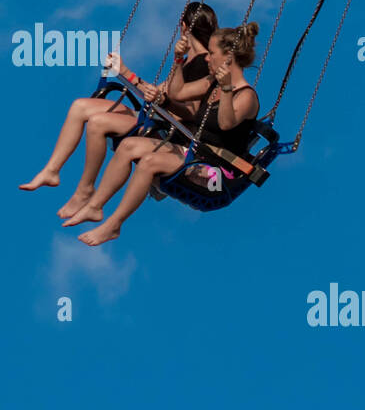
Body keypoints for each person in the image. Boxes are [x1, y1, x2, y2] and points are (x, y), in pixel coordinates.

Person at [67, 22, 261, 245]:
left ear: (228, 57)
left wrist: (227, 88)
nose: (207, 58)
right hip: (194, 154)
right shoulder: (211, 83)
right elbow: (177, 92)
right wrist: (179, 59)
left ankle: (113, 225)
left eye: (212, 54)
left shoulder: (247, 96)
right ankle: (94, 207)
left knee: (149, 162)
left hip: (218, 175)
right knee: (129, 145)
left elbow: (226, 123)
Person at [19, 3, 218, 220]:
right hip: (157, 118)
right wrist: (127, 74)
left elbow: (189, 111)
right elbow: (158, 93)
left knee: (98, 123)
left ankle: (85, 190)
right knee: (80, 106)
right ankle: (52, 170)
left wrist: (128, 74)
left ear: (183, 26)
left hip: (168, 129)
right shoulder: (188, 61)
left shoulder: (204, 64)